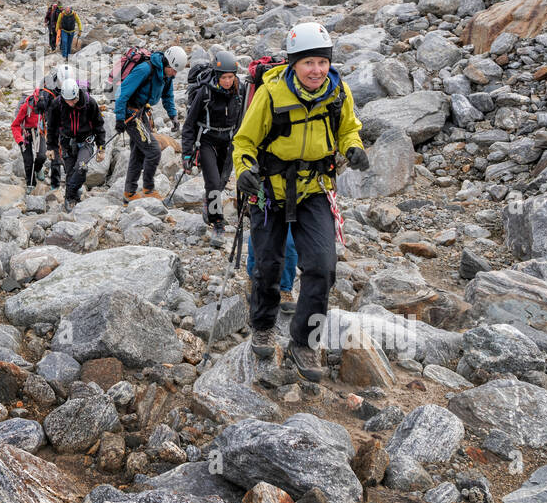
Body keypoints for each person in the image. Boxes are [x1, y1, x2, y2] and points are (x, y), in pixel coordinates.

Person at [232, 23, 368, 379]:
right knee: (268, 265)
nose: (317, 70)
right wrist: (244, 169)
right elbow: (244, 141)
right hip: (269, 189)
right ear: (294, 64)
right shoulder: (271, 94)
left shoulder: (338, 92)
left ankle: (304, 343)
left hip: (314, 188)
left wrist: (354, 147)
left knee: (323, 268)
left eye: (322, 62)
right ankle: (262, 323)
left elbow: (349, 128)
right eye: (309, 62)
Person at [181, 49, 244, 236]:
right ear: (217, 76)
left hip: (229, 141)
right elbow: (190, 124)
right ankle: (217, 223)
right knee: (214, 183)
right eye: (223, 77)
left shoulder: (240, 91)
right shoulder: (205, 92)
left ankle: (209, 204)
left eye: (230, 77)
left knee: (222, 182)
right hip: (207, 141)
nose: (227, 81)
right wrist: (186, 153)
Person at [115, 45, 186, 202]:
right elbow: (123, 93)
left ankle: (130, 193)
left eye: (176, 72)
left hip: (140, 111)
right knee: (153, 150)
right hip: (130, 114)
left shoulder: (167, 75)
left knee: (139, 152)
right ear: (167, 63)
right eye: (173, 70)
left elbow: (168, 96)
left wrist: (173, 116)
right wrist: (119, 119)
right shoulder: (145, 70)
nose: (174, 74)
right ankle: (148, 189)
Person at [46, 76, 105, 211]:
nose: (71, 104)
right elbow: (52, 127)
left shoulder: (90, 103)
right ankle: (73, 198)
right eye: (67, 101)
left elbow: (99, 126)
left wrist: (101, 148)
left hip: (86, 141)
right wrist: (51, 147)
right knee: (70, 172)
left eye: (73, 100)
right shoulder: (57, 104)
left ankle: (69, 196)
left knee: (81, 168)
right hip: (66, 142)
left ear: (77, 94)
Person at [12, 82, 55, 187]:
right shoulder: (26, 106)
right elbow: (15, 125)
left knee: (41, 156)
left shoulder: (46, 106)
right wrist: (20, 140)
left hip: (39, 131)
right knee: (28, 161)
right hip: (26, 134)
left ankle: (38, 169)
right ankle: (30, 184)